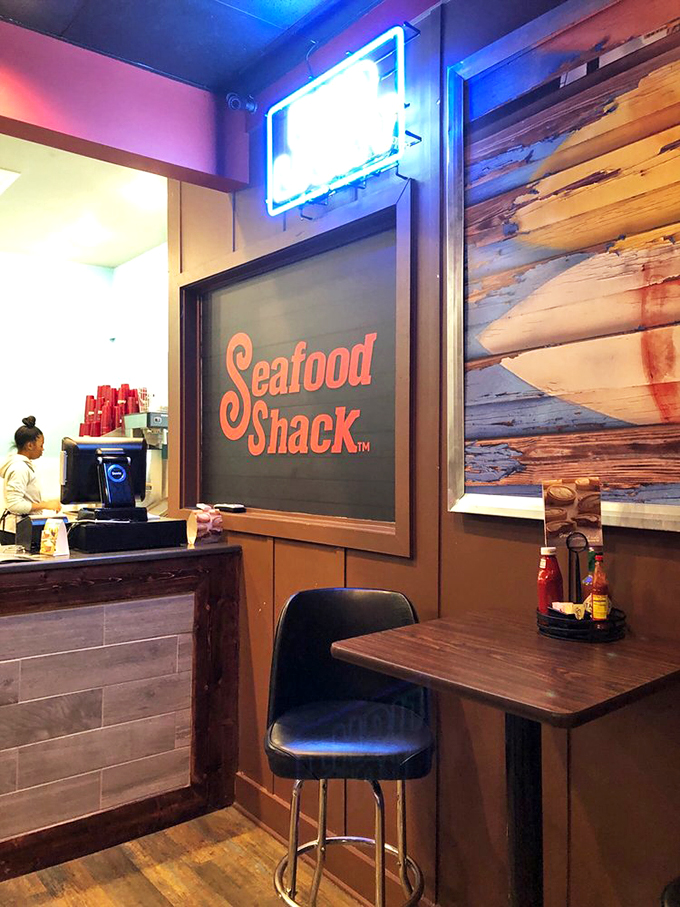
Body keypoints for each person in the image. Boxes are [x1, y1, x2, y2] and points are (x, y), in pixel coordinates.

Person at [0, 416, 61, 541]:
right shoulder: (19, 468)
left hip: (20, 528)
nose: (42, 449)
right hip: (15, 531)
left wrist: (48, 501)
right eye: (41, 445)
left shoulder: (24, 466)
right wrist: (46, 505)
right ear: (29, 445)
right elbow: (15, 505)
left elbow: (26, 498)